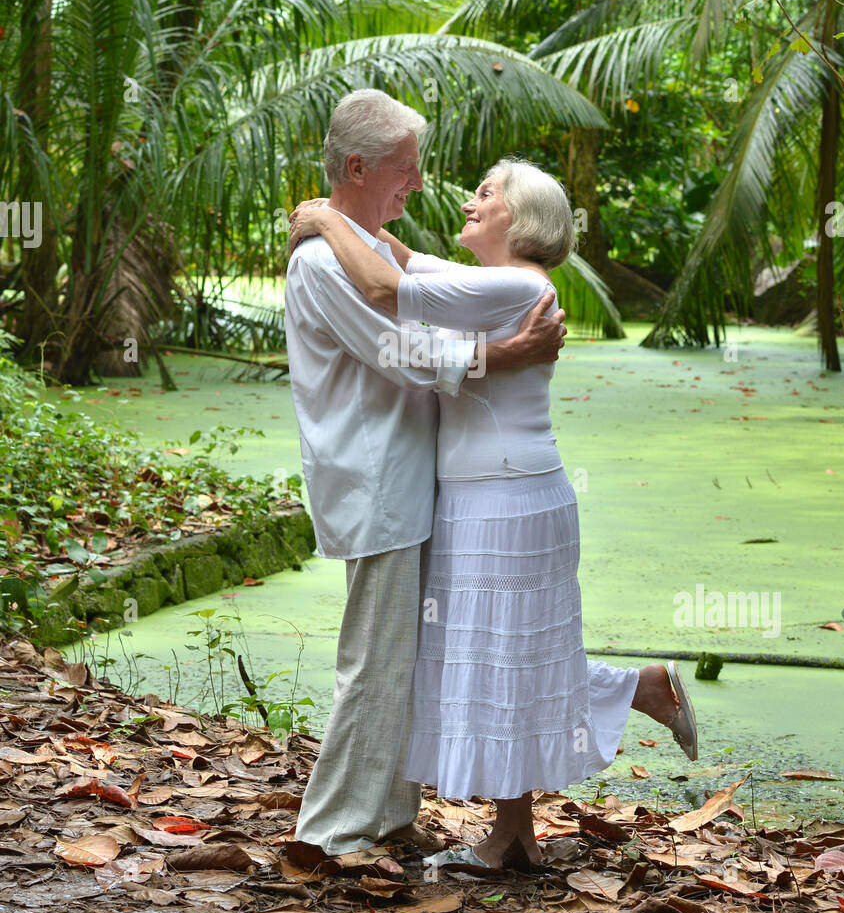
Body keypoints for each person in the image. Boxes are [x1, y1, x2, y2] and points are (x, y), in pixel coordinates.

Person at [289, 157, 698, 872]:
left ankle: (519, 827)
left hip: (506, 499)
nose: (469, 200)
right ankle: (522, 824)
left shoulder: (514, 285)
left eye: (487, 194)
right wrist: (351, 220)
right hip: (477, 497)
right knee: (493, 657)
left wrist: (323, 218)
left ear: (523, 220)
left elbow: (385, 283)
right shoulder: (486, 283)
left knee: (498, 656)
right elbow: (405, 259)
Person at [283, 91, 567, 859]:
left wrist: (333, 218)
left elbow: (415, 280)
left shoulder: (363, 245)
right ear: (357, 166)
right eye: (406, 168)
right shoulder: (322, 261)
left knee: (404, 660)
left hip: (414, 479)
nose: (418, 182)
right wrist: (499, 357)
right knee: (375, 661)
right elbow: (397, 351)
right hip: (375, 480)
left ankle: (384, 815)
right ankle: (332, 831)